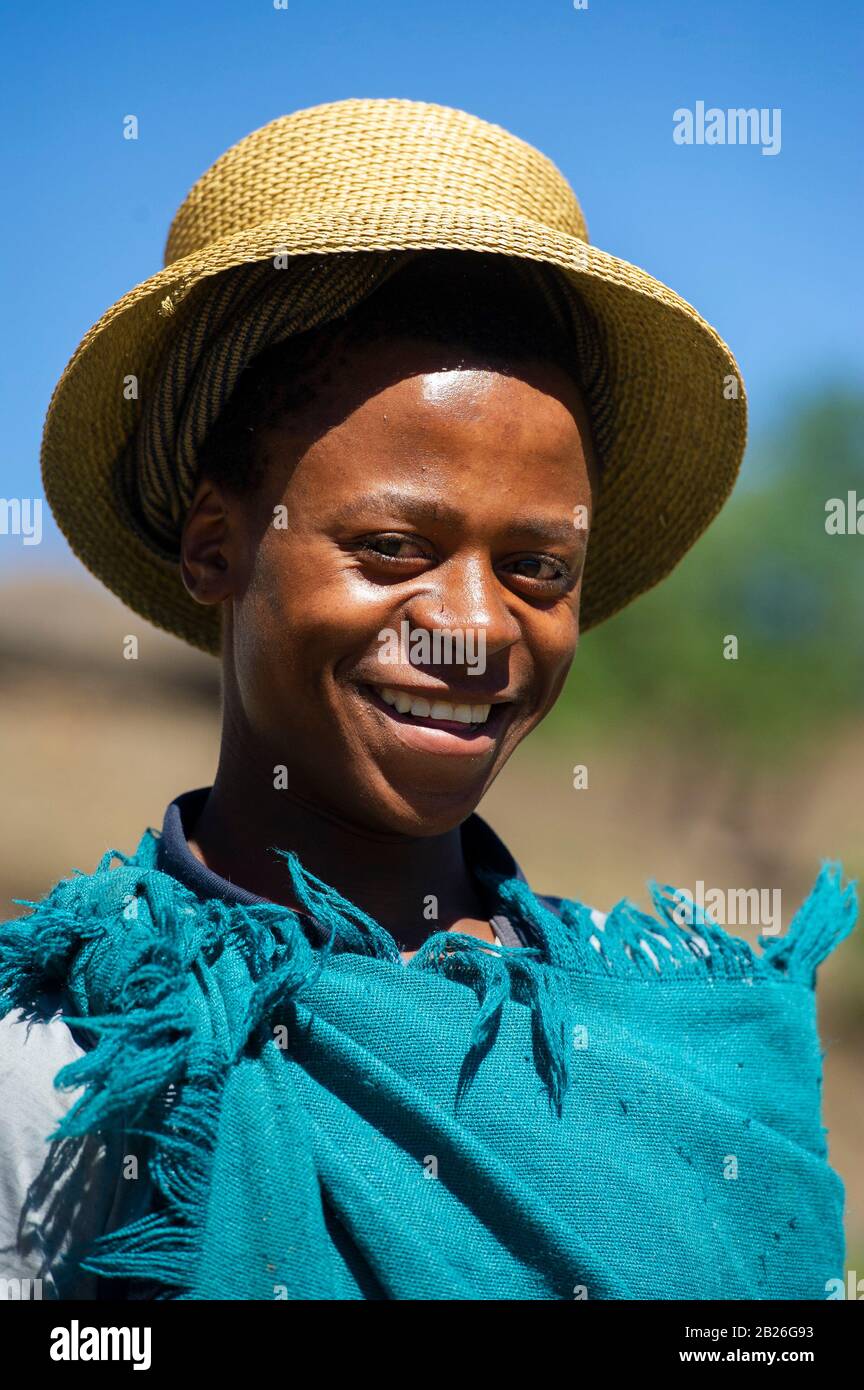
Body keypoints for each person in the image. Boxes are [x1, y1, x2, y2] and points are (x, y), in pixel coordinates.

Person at [0, 97, 857, 1301]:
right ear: (214, 547)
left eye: (537, 566)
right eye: (395, 547)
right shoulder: (85, 1067)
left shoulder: (698, 1057)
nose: (476, 628)